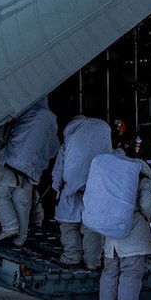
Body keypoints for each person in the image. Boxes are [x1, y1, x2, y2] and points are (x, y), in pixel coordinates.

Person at [84, 139, 151, 300]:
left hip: (111, 232)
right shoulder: (143, 180)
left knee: (110, 271)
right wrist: (148, 214)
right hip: (133, 232)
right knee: (131, 272)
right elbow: (146, 205)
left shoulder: (116, 177)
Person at [0, 98, 58, 247]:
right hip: (32, 170)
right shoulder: (52, 119)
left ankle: (9, 226)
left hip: (11, 161)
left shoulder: (23, 110)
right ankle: (20, 238)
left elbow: (1, 136)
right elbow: (53, 149)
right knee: (22, 203)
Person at [52, 112, 113, 267]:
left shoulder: (70, 140)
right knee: (92, 228)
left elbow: (59, 167)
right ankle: (92, 262)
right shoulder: (103, 138)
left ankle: (72, 257)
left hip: (71, 190)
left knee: (69, 226)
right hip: (96, 191)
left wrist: (56, 186)